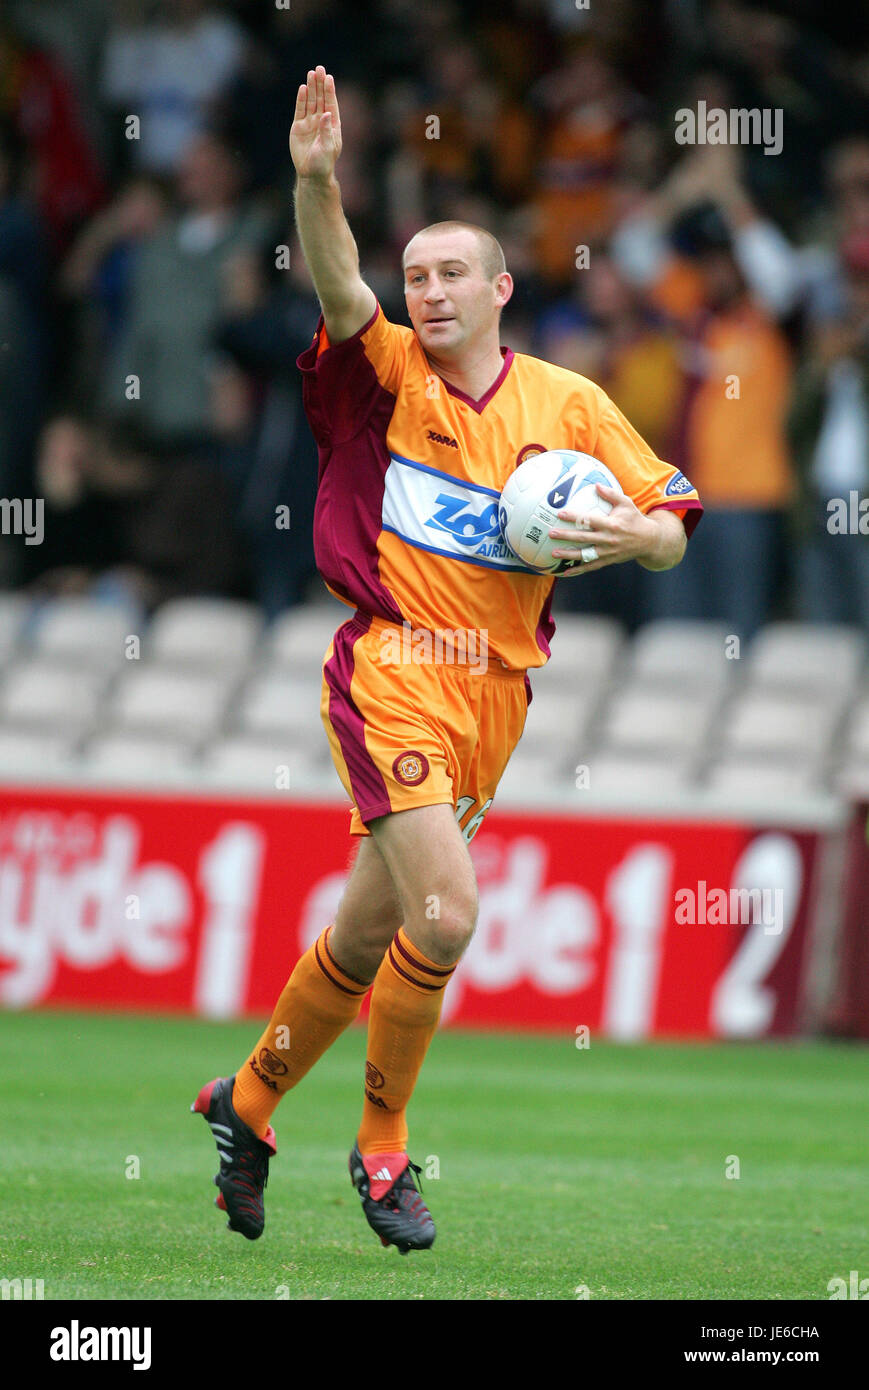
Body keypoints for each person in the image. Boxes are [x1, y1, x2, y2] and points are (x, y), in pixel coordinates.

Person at [192, 67, 703, 1255]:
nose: (425, 292)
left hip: (495, 694)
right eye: (414, 275)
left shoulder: (568, 407)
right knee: (449, 910)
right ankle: (381, 1147)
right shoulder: (384, 373)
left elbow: (672, 523)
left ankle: (247, 1101)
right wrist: (317, 182)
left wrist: (642, 538)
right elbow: (336, 279)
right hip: (391, 667)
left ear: (499, 288)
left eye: (448, 274)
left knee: (366, 937)